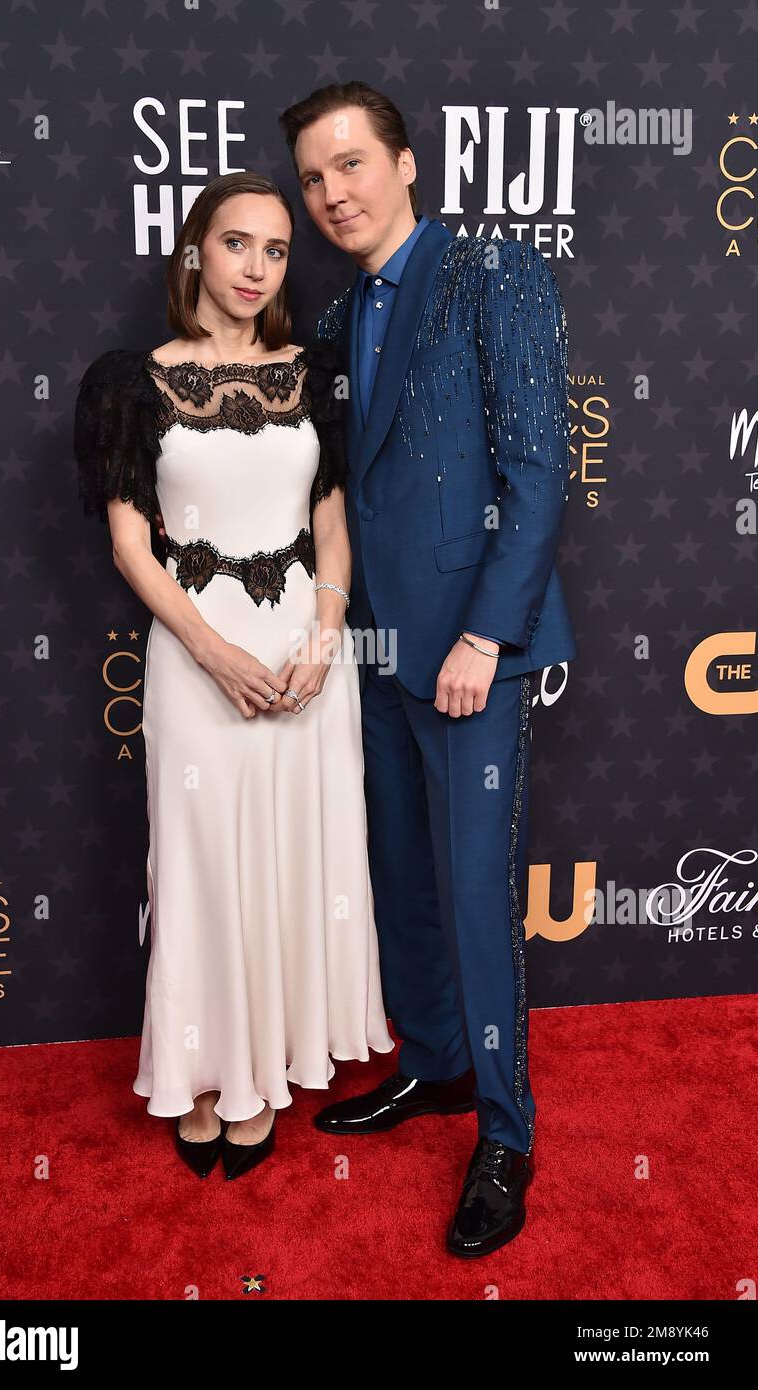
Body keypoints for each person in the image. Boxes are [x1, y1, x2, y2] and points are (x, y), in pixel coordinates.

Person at [276, 82, 578, 1257]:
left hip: (470, 655)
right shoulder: (345, 309)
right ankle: (441, 1070)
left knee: (472, 897)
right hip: (380, 649)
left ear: (406, 164)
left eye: (349, 163)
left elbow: (538, 469)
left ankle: (505, 1131)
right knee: (404, 884)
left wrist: (485, 636)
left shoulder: (494, 272)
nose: (331, 192)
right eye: (311, 176)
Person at [73, 170, 394, 1183]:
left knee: (299, 862)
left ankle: (271, 1070)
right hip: (194, 649)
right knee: (204, 871)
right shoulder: (131, 379)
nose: (255, 266)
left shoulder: (318, 373)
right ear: (194, 253)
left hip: (307, 651)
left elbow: (332, 521)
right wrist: (211, 650)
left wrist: (325, 629)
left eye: (276, 248)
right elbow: (132, 546)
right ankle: (208, 1077)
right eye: (235, 243)